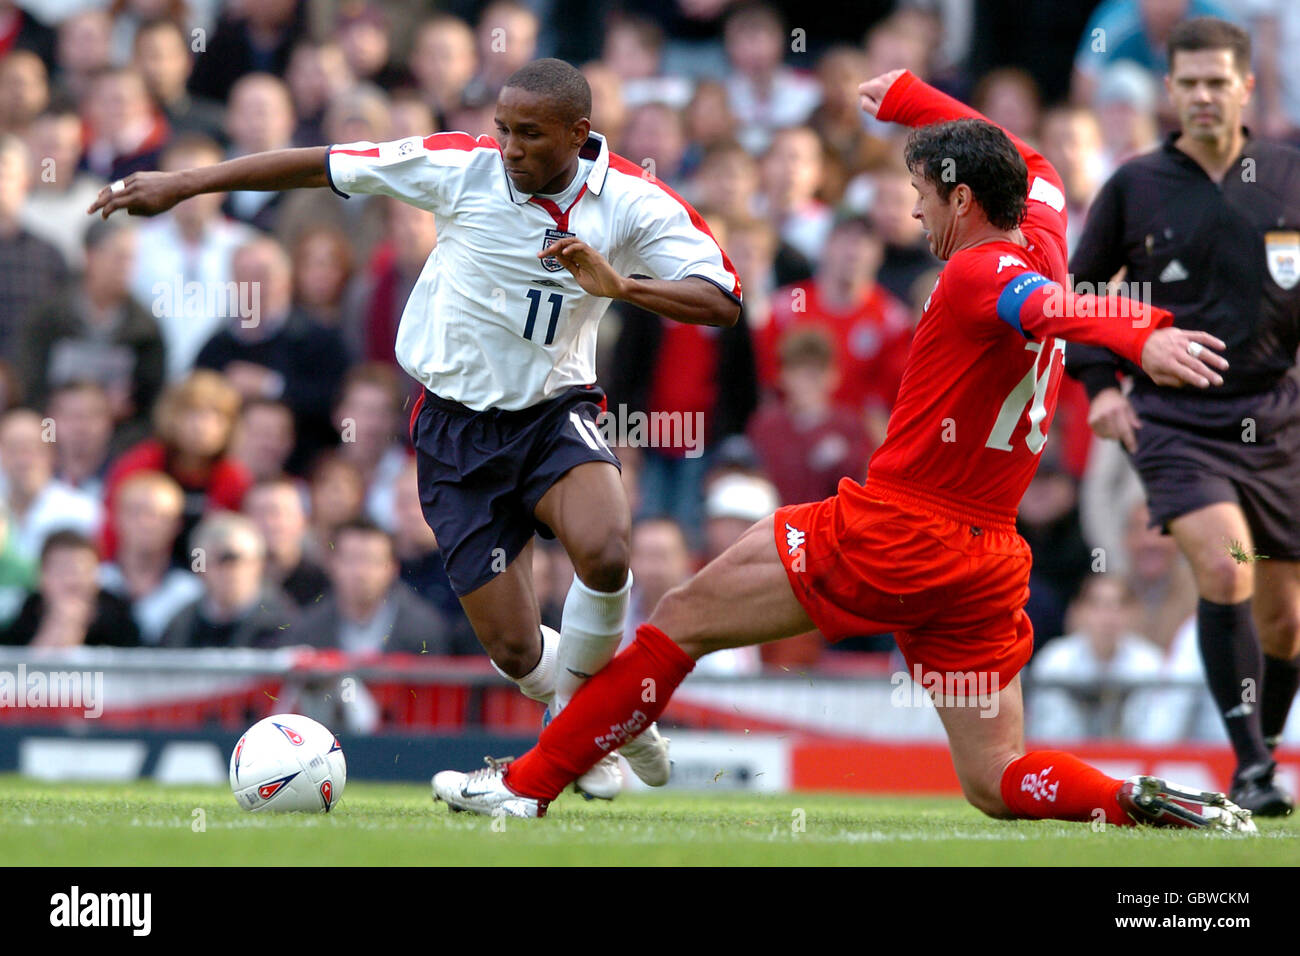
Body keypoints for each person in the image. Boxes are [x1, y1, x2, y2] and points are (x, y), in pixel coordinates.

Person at [430, 67, 1254, 833]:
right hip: (987, 557)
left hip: (899, 529)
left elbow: (1047, 307)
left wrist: (1141, 333)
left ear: (963, 199)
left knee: (679, 620)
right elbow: (1028, 165)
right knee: (995, 777)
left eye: (921, 193)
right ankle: (1131, 798)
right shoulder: (1040, 219)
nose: (913, 212)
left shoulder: (978, 272)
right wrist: (910, 97)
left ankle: (524, 787)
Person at [89, 57, 740, 799]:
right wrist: (186, 183)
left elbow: (721, 299)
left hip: (556, 411)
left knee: (606, 547)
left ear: (577, 133)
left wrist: (620, 285)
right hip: (454, 429)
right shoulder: (462, 168)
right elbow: (322, 166)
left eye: (530, 134)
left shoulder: (632, 200)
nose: (511, 147)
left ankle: (586, 723)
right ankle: (609, 710)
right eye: (503, 129)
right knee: (516, 651)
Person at [1066, 18, 1300, 817]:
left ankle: (1255, 764)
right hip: (1172, 417)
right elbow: (1079, 296)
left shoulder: (1290, 176)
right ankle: (1256, 766)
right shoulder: (1134, 185)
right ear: (1170, 90)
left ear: (1247, 86)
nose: (1202, 96)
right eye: (1188, 82)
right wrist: (1100, 385)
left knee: (1288, 622)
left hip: (1277, 417)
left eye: (1217, 81)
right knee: (1227, 566)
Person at [3, 529, 139, 647]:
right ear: (41, 576)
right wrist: (54, 630)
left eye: (82, 570)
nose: (71, 580)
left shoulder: (118, 614)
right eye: (61, 570)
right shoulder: (28, 611)